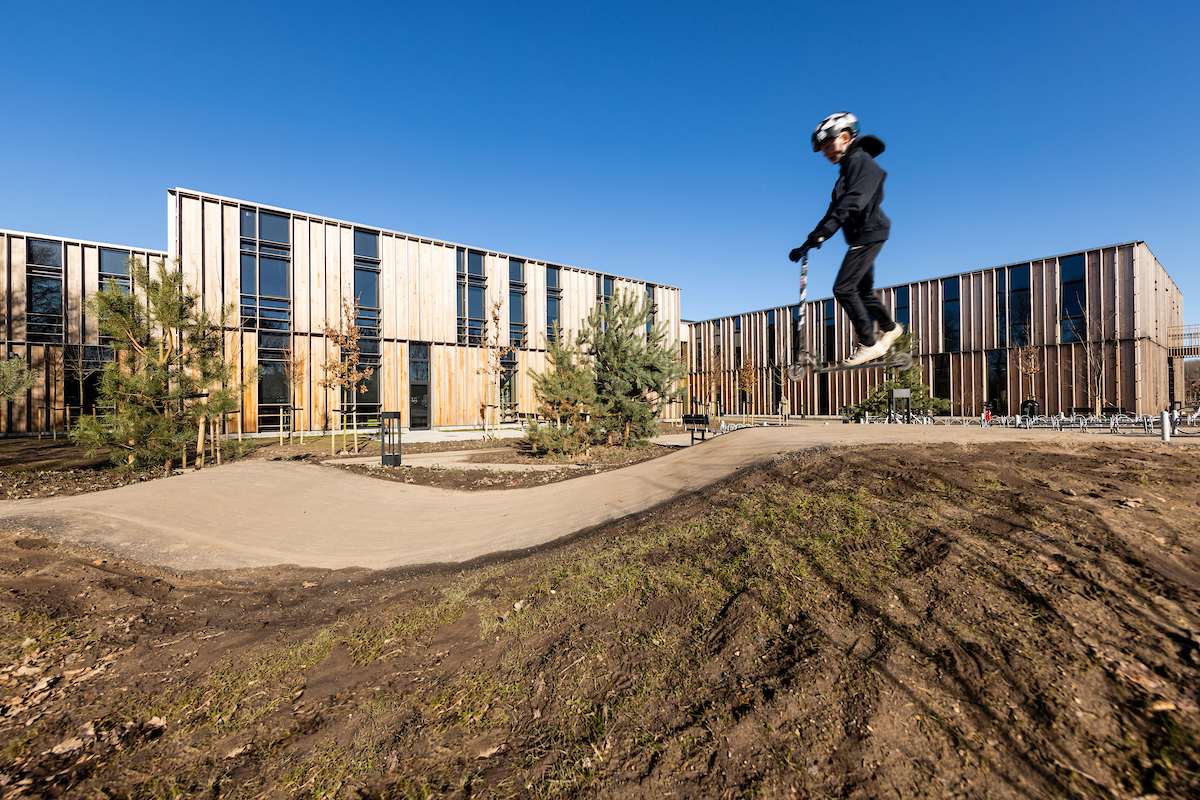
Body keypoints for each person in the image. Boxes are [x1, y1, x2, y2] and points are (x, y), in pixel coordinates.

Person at [790, 111, 903, 366]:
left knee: (843, 288)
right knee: (862, 291)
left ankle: (869, 342)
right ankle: (890, 328)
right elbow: (833, 211)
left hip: (869, 233)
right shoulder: (843, 177)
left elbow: (853, 202)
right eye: (823, 150)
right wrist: (809, 242)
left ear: (844, 137)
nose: (826, 153)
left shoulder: (861, 162)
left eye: (828, 146)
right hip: (864, 236)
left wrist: (823, 233)